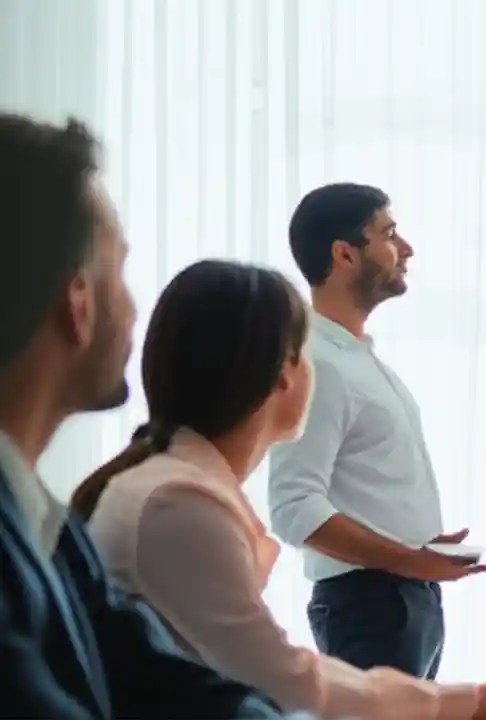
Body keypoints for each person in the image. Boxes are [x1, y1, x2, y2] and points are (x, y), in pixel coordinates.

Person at [71, 259, 486, 720]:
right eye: (307, 354)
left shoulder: (171, 488)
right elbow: (290, 684)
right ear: (284, 372)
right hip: (371, 603)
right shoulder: (178, 503)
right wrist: (476, 703)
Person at [0, 112, 285, 718]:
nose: (135, 308)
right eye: (122, 271)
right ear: (78, 304)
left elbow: (160, 679)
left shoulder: (49, 527)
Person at [268, 183, 483, 679]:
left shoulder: (356, 359)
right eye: (389, 234)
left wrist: (420, 554)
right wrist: (409, 560)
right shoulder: (317, 364)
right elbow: (294, 507)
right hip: (370, 606)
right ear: (344, 254)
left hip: (401, 602)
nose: (405, 249)